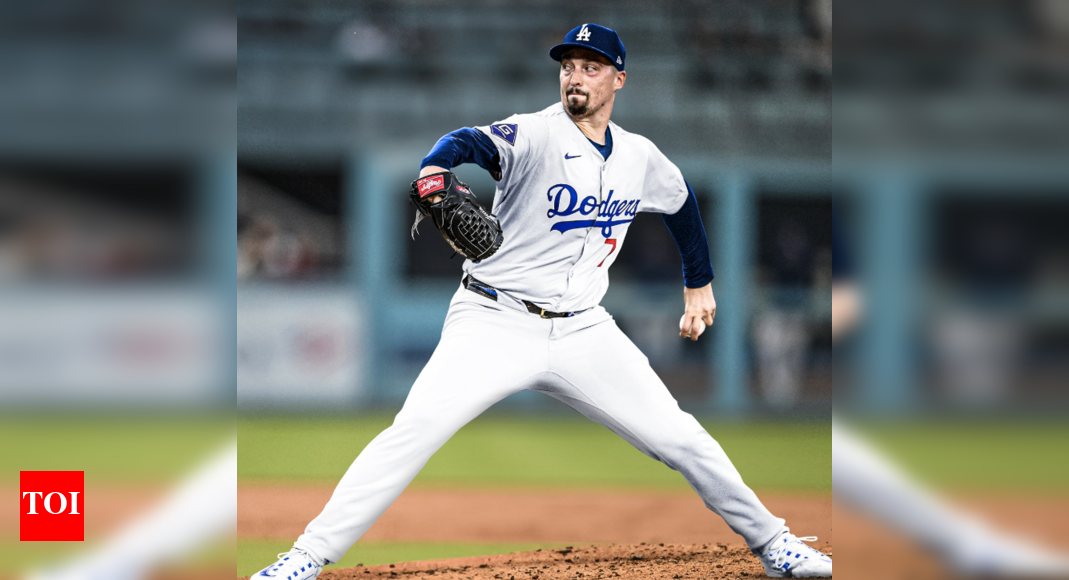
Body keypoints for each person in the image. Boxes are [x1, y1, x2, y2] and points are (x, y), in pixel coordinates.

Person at [254, 23, 832, 579]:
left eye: (591, 67)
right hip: (493, 319)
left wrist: (698, 283)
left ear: (619, 80)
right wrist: (436, 168)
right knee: (415, 430)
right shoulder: (533, 133)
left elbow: (681, 206)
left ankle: (775, 543)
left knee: (680, 437)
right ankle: (305, 558)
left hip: (584, 330)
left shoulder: (639, 157)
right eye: (569, 67)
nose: (575, 76)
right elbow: (467, 142)